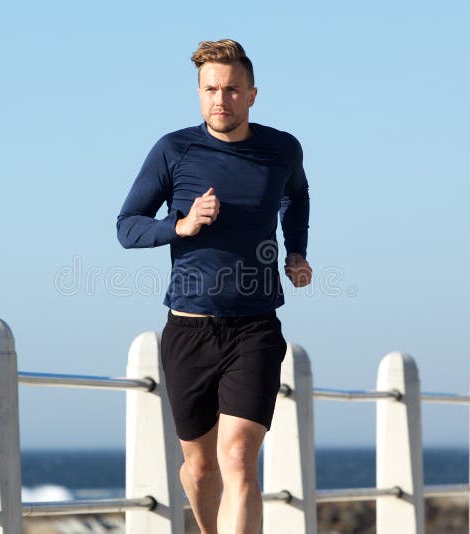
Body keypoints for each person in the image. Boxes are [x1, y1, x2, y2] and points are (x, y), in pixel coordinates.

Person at [116, 39, 312, 534]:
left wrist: (296, 251)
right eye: (210, 90)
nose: (219, 100)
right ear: (198, 93)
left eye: (230, 90)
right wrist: (178, 226)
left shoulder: (281, 149)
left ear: (251, 95)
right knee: (201, 470)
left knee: (240, 458)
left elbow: (298, 195)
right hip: (189, 330)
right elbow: (127, 226)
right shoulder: (173, 150)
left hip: (255, 328)